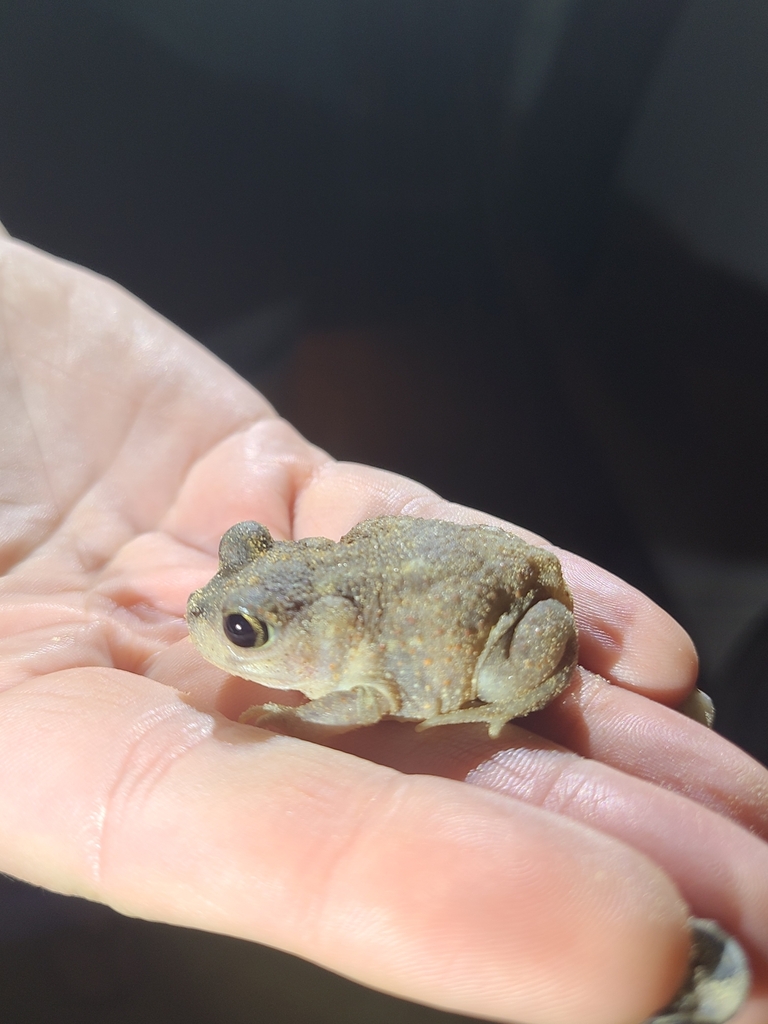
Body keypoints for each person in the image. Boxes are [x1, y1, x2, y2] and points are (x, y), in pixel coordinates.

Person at [0, 229, 765, 1024]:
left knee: (505, 679)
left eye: (244, 630)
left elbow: (365, 700)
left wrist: (299, 718)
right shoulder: (326, 612)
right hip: (443, 563)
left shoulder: (346, 657)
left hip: (504, 609)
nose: (205, 617)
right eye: (239, 585)